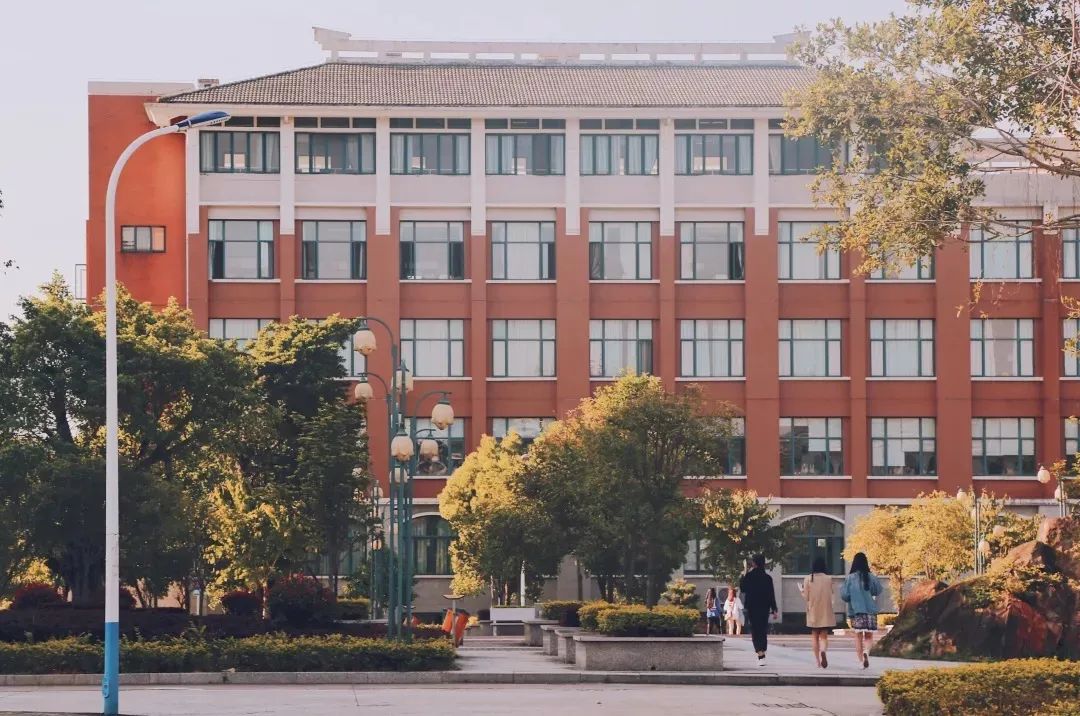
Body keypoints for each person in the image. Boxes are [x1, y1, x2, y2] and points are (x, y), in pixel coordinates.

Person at [840, 551, 883, 669]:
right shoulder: (871, 577)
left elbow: (844, 596)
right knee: (869, 636)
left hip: (856, 611)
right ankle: (866, 653)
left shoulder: (850, 578)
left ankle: (860, 662)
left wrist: (853, 596)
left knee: (858, 637)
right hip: (870, 611)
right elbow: (878, 590)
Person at [739, 554, 777, 665]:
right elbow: (771, 595)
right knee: (763, 629)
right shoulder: (768, 578)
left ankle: (760, 653)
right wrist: (774, 609)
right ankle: (762, 651)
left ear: (754, 563)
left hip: (752, 607)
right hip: (764, 608)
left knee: (755, 630)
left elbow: (743, 589)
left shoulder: (749, 576)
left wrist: (743, 575)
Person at [801, 556, 837, 668]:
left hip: (813, 610)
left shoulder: (808, 579)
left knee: (814, 636)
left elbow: (806, 597)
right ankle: (823, 651)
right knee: (824, 636)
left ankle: (817, 661)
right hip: (825, 610)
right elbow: (832, 595)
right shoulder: (829, 579)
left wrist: (802, 591)